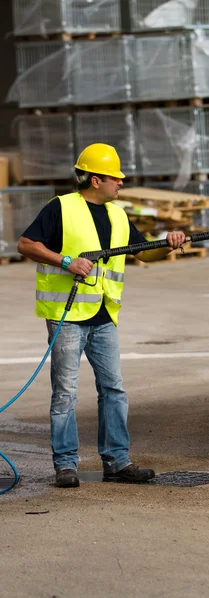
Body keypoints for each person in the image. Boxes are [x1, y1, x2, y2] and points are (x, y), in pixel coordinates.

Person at [17, 143, 186, 489]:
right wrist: (67, 261)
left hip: (104, 314)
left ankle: (117, 461)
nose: (121, 184)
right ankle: (65, 465)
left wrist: (167, 244)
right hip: (68, 317)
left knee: (114, 389)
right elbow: (26, 244)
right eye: (115, 178)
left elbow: (143, 254)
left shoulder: (118, 215)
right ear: (95, 180)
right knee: (65, 392)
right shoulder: (61, 208)